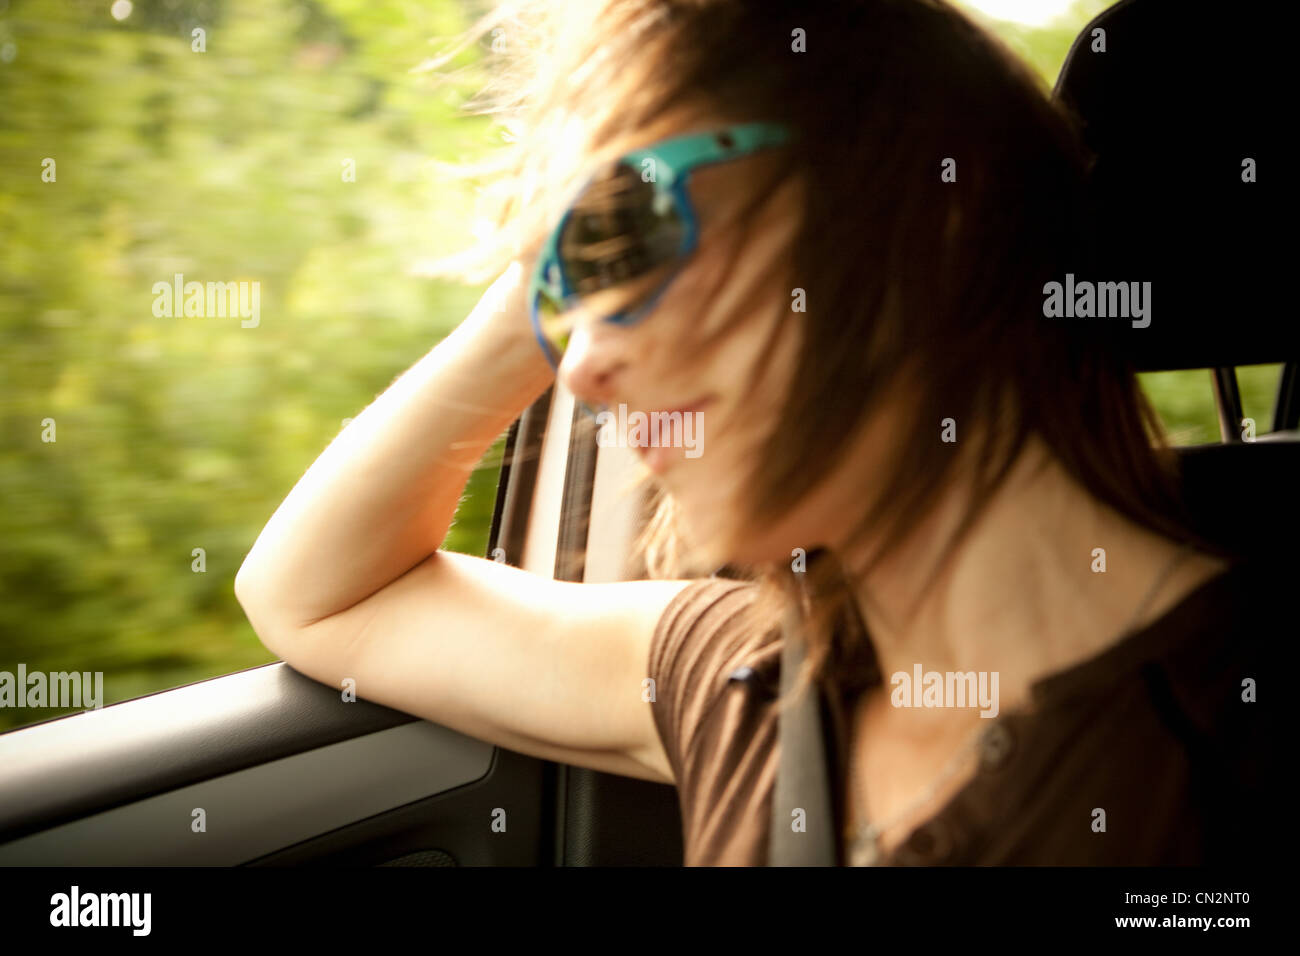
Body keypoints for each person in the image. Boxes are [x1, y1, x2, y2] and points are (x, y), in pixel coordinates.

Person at [235, 0, 1265, 865]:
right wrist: (553, 267)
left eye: (633, 232)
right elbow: (317, 595)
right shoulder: (744, 675)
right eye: (561, 294)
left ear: (923, 224)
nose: (580, 367)